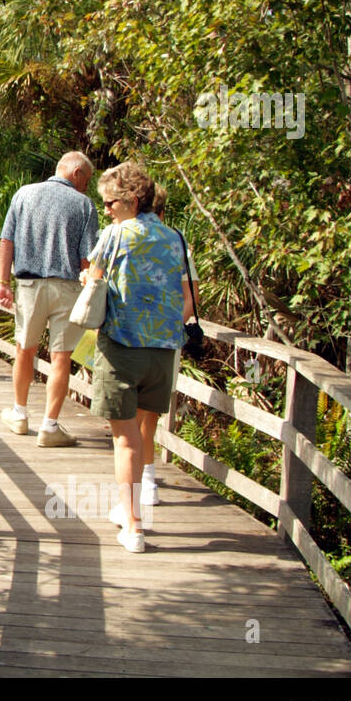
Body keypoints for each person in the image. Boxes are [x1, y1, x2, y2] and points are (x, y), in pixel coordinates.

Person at [82, 162, 188, 553]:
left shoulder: (114, 235)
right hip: (162, 352)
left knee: (125, 441)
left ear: (131, 199)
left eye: (110, 202)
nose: (107, 209)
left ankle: (133, 525)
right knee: (144, 433)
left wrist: (88, 279)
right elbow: (182, 292)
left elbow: (94, 281)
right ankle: (129, 509)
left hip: (122, 347)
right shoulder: (175, 238)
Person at [0, 151, 99, 447]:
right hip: (68, 288)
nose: (87, 186)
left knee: (24, 349)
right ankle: (49, 427)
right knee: (61, 357)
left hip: (30, 285)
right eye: (87, 180)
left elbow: (7, 240)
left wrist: (4, 282)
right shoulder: (84, 205)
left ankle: (19, 414)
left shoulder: (24, 194)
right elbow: (87, 258)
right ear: (76, 173)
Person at [136, 182, 198, 507]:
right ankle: (145, 479)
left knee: (134, 414)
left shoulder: (123, 236)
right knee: (149, 412)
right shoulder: (178, 242)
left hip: (132, 337)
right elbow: (191, 298)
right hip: (165, 338)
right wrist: (169, 327)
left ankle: (140, 482)